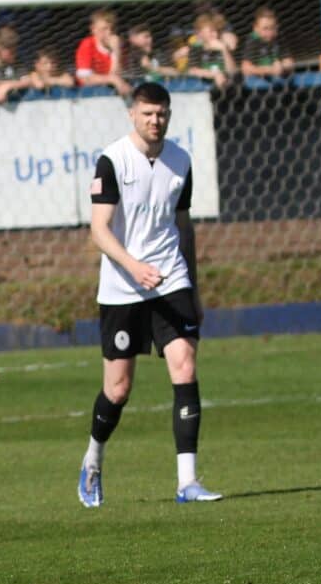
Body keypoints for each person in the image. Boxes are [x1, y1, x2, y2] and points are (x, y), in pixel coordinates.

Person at [80, 82, 220, 508]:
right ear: (132, 114)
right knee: (118, 389)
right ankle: (93, 459)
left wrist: (193, 288)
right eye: (147, 113)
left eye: (161, 114)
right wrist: (133, 265)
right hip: (123, 287)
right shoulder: (112, 160)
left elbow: (184, 228)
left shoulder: (181, 161)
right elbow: (98, 230)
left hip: (171, 280)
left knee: (185, 364)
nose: (154, 121)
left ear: (169, 116)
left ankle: (187, 482)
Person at [74, 8, 132, 97]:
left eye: (112, 28)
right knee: (107, 92)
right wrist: (112, 79)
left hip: (112, 86)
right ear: (93, 29)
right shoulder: (87, 45)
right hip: (88, 89)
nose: (109, 32)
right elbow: (85, 79)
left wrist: (116, 51)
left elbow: (117, 75)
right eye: (104, 29)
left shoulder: (118, 45)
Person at [177, 11, 236, 90]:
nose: (215, 34)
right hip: (200, 88)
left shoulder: (223, 46)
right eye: (211, 31)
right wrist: (214, 74)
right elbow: (193, 71)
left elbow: (232, 71)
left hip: (226, 87)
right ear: (199, 33)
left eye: (216, 31)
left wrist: (224, 50)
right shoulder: (196, 47)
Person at [239, 7, 294, 79]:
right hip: (258, 78)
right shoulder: (253, 40)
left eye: (272, 28)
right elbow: (245, 68)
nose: (269, 33)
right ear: (255, 28)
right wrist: (269, 70)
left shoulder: (279, 37)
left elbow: (289, 61)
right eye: (265, 28)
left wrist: (282, 66)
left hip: (278, 75)